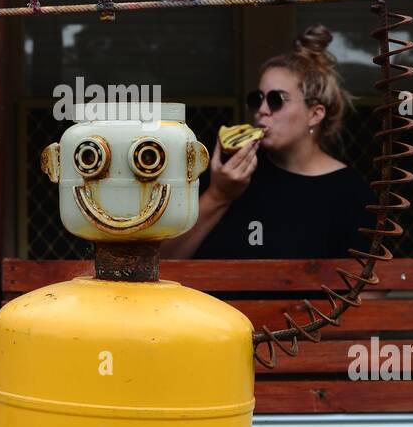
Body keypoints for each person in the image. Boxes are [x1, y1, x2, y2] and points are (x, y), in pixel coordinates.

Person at [161, 24, 378, 261]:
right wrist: (219, 195)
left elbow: (372, 285)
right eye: (258, 99)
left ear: (314, 114)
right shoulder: (231, 173)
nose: (262, 110)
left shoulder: (351, 192)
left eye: (277, 100)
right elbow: (164, 261)